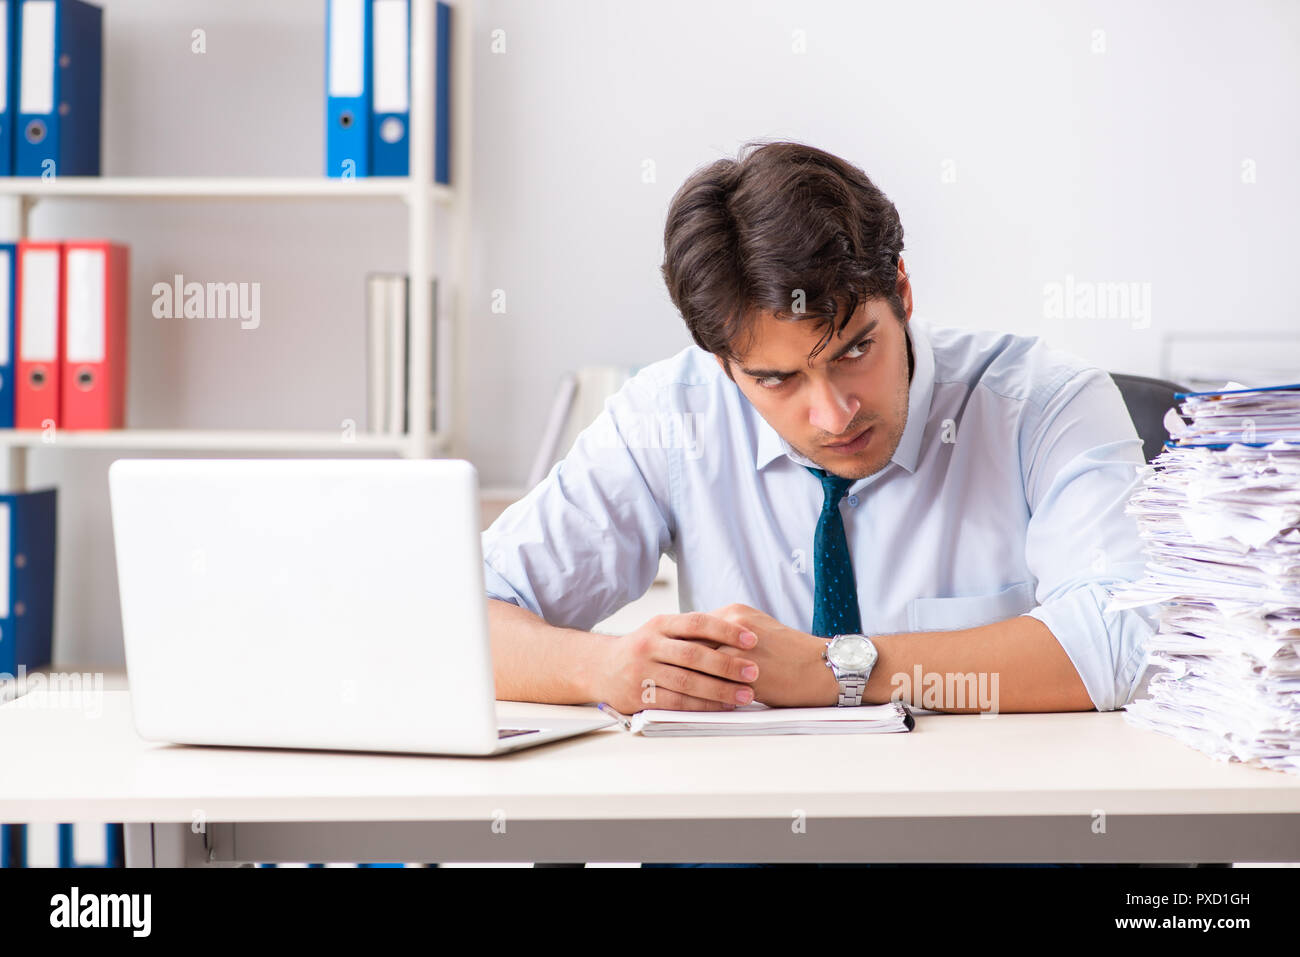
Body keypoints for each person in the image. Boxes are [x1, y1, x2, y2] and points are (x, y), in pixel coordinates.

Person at [480, 140, 1155, 867]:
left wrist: (834, 668)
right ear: (723, 364)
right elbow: (460, 615)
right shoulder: (670, 417)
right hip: (749, 845)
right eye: (777, 380)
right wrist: (601, 668)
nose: (833, 414)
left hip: (981, 843)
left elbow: (1130, 638)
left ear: (899, 288)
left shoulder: (1044, 404)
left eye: (854, 351)